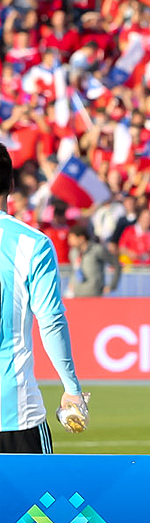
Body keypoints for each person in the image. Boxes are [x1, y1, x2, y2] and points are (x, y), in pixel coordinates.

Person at [0, 149, 87, 454]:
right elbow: (50, 320)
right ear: (11, 185)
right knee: (36, 503)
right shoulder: (31, 244)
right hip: (14, 410)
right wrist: (72, 389)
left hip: (15, 409)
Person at [66, 224, 120, 297]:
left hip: (94, 296)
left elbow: (116, 264)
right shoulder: (73, 253)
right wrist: (71, 282)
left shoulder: (97, 250)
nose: (69, 241)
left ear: (81, 238)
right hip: (76, 296)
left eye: (72, 238)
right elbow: (75, 270)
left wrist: (112, 286)